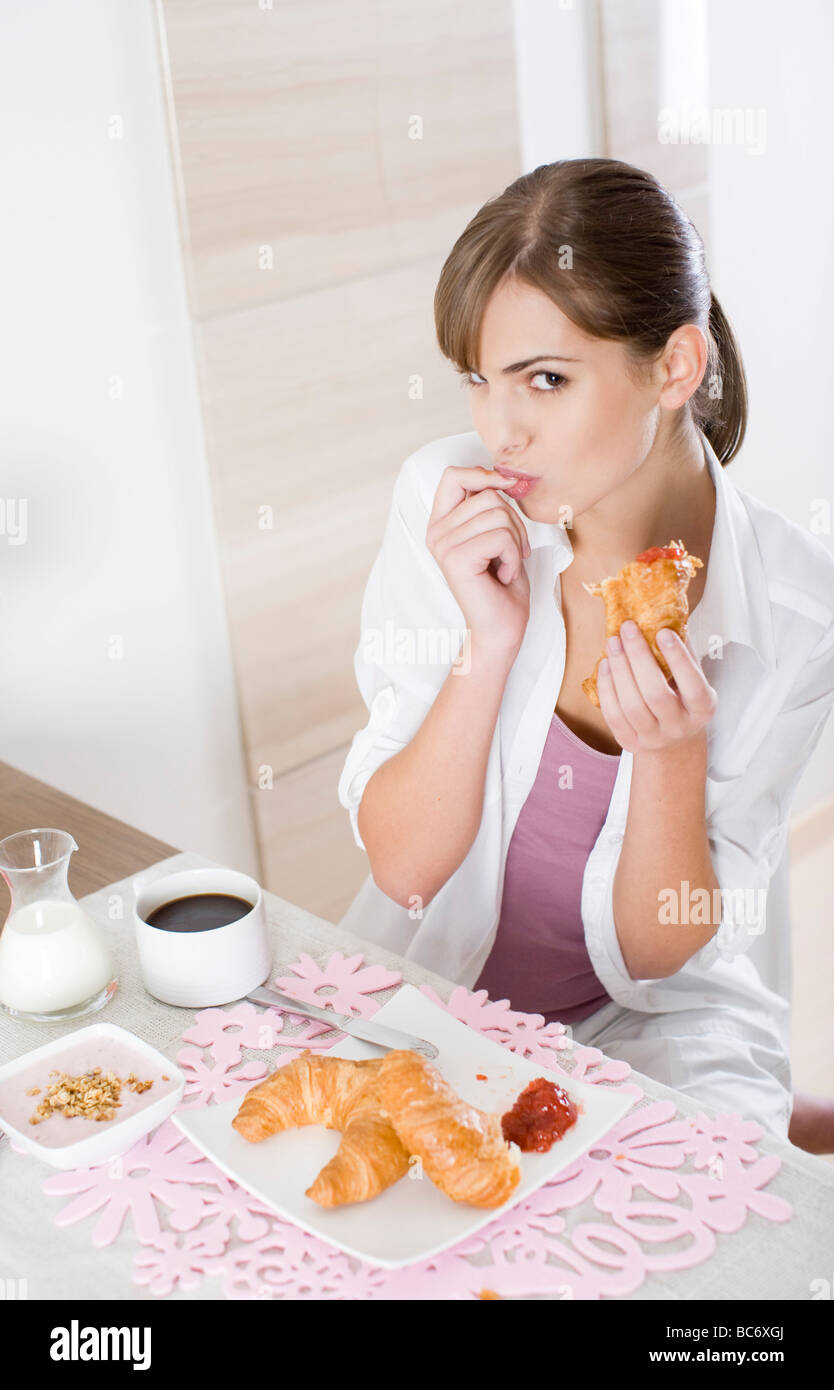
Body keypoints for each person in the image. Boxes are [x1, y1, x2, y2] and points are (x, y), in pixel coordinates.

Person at [336, 159, 834, 1149]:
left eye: (547, 380)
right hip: (434, 981)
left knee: (715, 1256)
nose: (500, 429)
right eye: (480, 381)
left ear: (675, 367)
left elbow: (657, 950)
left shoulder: (796, 608)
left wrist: (672, 752)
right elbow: (405, 869)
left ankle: (775, 1118)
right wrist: (490, 644)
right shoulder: (449, 502)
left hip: (659, 1020)